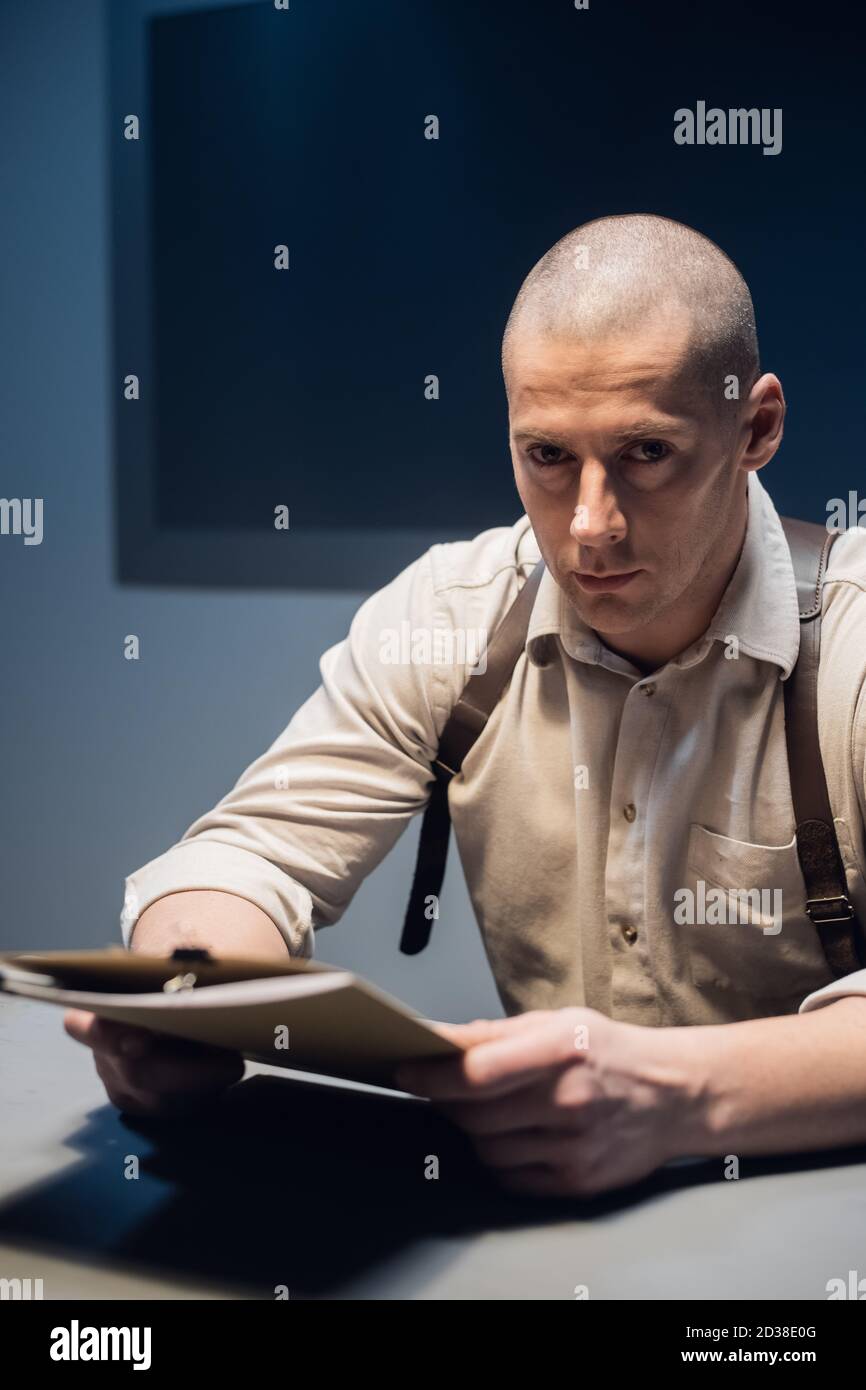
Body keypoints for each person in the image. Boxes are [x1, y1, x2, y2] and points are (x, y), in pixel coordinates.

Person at [65, 214, 866, 1196]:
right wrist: (188, 997)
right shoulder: (450, 619)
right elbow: (249, 854)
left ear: (755, 428)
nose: (589, 525)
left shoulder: (853, 652)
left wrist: (679, 1099)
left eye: (646, 453)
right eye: (546, 457)